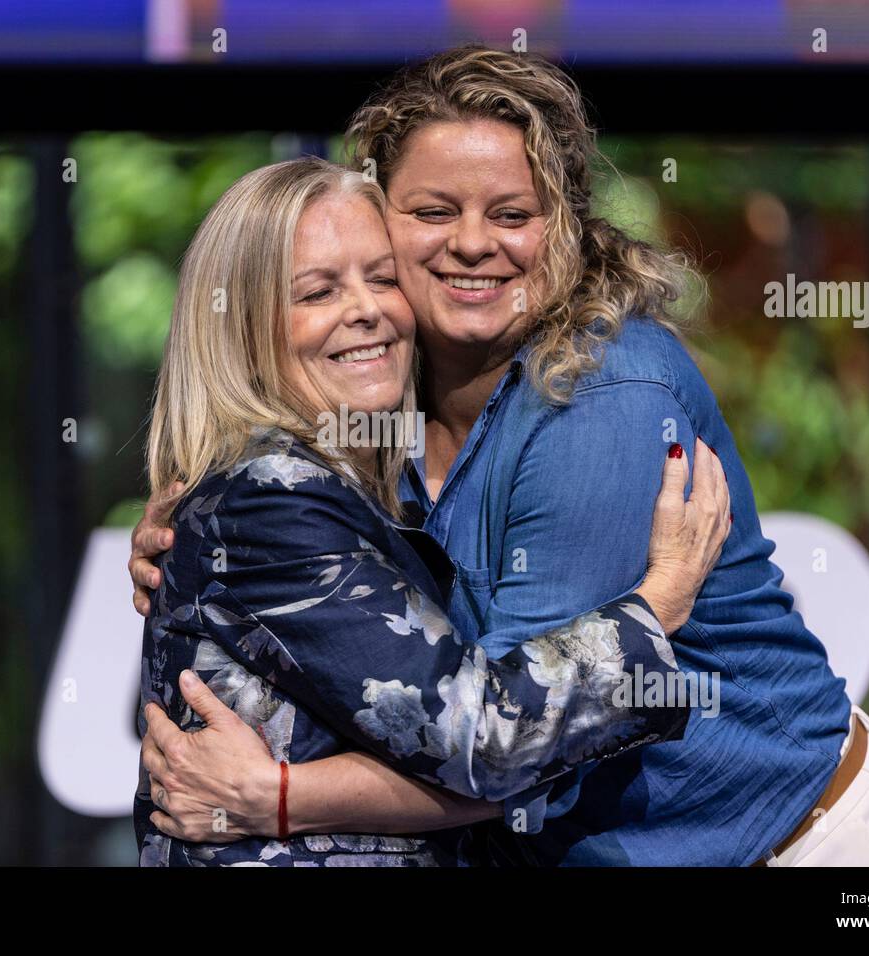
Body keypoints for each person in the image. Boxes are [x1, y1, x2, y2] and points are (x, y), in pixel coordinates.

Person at [132, 46, 869, 867]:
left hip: (794, 844)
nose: (472, 243)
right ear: (381, 218)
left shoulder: (601, 396)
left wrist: (279, 796)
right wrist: (197, 544)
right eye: (433, 212)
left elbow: (511, 741)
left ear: (565, 228)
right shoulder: (381, 398)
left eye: (512, 214)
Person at [133, 154, 731, 867]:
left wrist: (282, 794)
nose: (367, 309)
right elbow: (485, 737)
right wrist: (658, 602)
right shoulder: (269, 499)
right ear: (241, 329)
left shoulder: (334, 478)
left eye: (383, 278)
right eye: (318, 291)